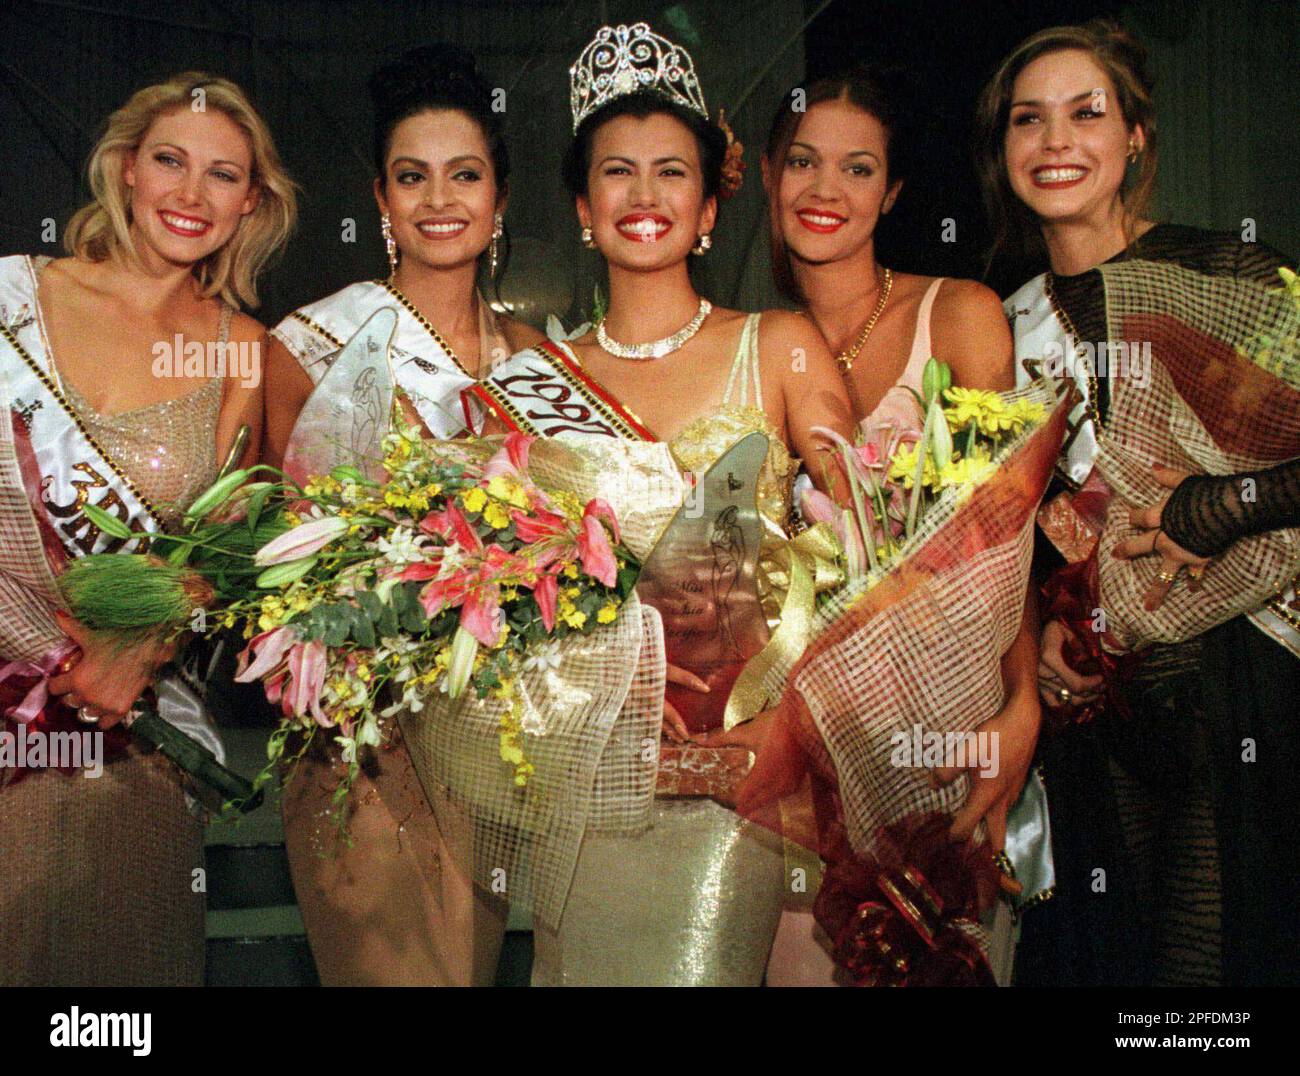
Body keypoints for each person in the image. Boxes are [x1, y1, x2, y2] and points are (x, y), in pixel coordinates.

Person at [472, 22, 857, 985]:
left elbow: (869, 544)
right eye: (617, 172)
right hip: (599, 780)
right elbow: (493, 606)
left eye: (671, 172)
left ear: (710, 205)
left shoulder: (777, 345)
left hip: (756, 772)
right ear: (582, 205)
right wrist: (599, 694)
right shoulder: (526, 385)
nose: (645, 197)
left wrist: (794, 716)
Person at [976, 18, 1300, 986]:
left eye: (1086, 113)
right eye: (1027, 120)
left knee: (1216, 964)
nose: (1055, 141)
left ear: (1135, 137)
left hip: (1241, 679)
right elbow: (1003, 539)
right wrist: (1041, 640)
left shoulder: (1231, 272)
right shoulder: (998, 324)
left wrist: (1226, 499)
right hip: (1102, 715)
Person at [0, 71, 295, 985]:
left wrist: (140, 651)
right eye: (170, 161)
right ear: (125, 168)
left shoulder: (243, 349)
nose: (190, 194)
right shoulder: (12, 296)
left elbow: (227, 553)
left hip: (131, 734)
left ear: (252, 202)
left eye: (222, 175)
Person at [757, 64, 1044, 986]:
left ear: (893, 191)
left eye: (857, 168)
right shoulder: (750, 342)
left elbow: (1006, 542)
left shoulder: (957, 313)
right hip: (800, 765)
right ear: (768, 176)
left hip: (946, 750)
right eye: (803, 162)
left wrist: (1023, 706)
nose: (825, 190)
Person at [264, 44, 543, 986]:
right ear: (379, 200)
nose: (439, 200)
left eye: (465, 175)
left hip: (494, 748)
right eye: (411, 178)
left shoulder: (537, 357)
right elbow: (280, 554)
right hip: (363, 744)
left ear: (500, 198)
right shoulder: (311, 341)